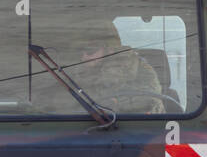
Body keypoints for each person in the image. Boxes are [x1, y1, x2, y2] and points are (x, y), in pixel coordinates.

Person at [37, 20, 166, 115]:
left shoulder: (141, 70)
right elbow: (52, 102)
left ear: (109, 49)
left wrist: (112, 103)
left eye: (90, 50)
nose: (84, 57)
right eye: (80, 51)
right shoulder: (71, 74)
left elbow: (147, 103)